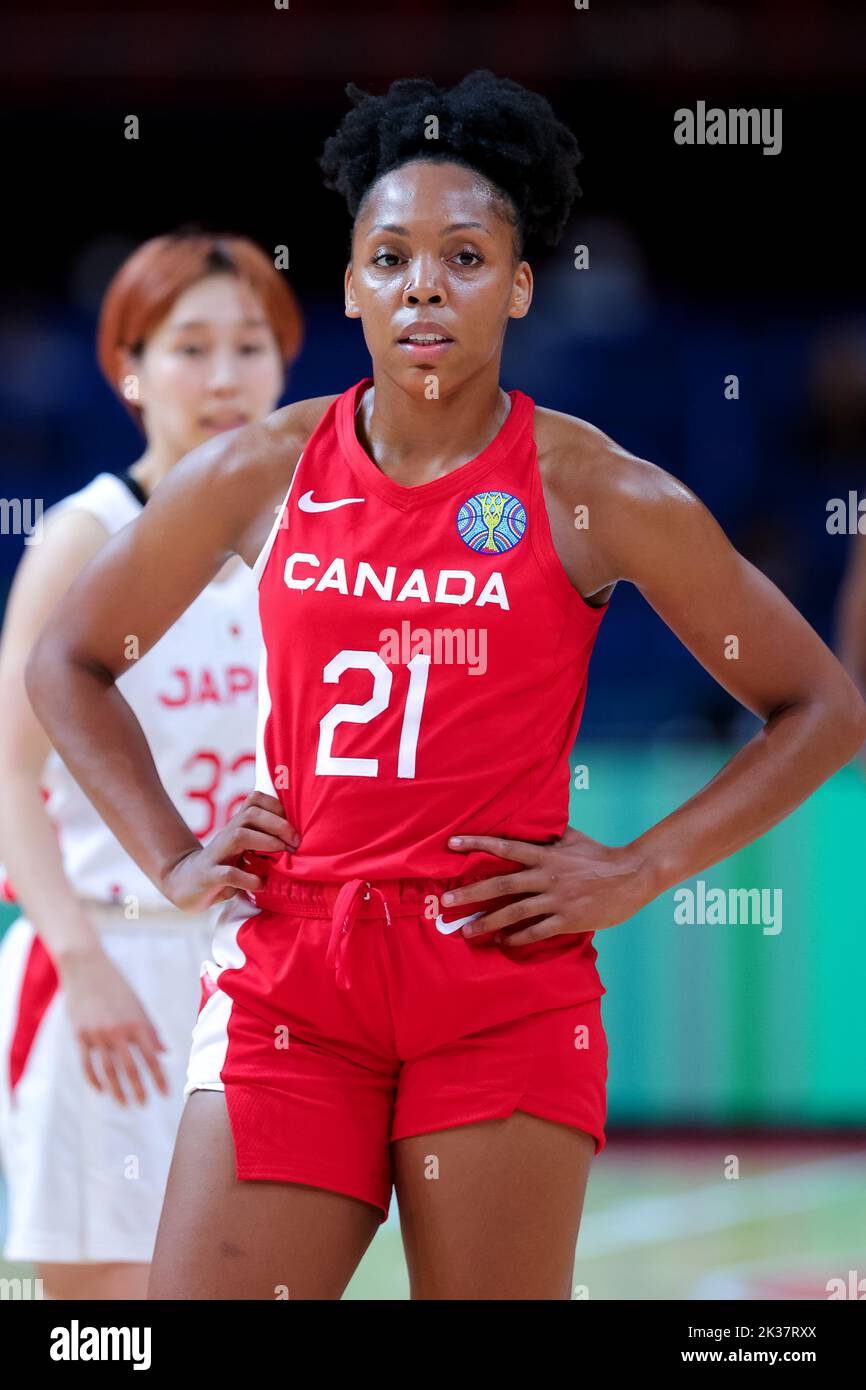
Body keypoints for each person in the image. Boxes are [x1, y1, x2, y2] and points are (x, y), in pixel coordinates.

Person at [24, 72, 866, 1301]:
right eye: (391, 255)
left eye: (465, 255)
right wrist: (169, 855)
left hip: (496, 977)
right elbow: (68, 659)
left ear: (518, 287)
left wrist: (637, 868)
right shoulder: (257, 469)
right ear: (355, 283)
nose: (424, 282)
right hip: (293, 973)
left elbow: (820, 706)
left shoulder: (593, 487)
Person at [0, 231, 303, 1299]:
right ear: (128, 366)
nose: (225, 376)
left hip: (267, 974)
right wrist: (81, 964)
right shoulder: (88, 535)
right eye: (190, 347)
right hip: (114, 960)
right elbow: (7, 774)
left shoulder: (309, 540)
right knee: (112, 1317)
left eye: (251, 345)